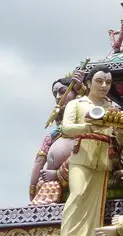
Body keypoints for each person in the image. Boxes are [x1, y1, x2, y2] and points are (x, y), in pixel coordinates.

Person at [55, 65, 123, 236]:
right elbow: (66, 128)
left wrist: (122, 132)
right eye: (99, 81)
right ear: (88, 82)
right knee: (78, 193)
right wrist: (88, 127)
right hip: (82, 153)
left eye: (108, 82)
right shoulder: (76, 104)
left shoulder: (112, 108)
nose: (104, 86)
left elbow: (118, 136)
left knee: (96, 201)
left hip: (102, 156)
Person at [29, 72, 85, 204]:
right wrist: (32, 189)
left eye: (62, 91)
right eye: (56, 95)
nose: (59, 97)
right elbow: (39, 162)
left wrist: (81, 89)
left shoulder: (84, 121)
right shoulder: (54, 134)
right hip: (48, 181)